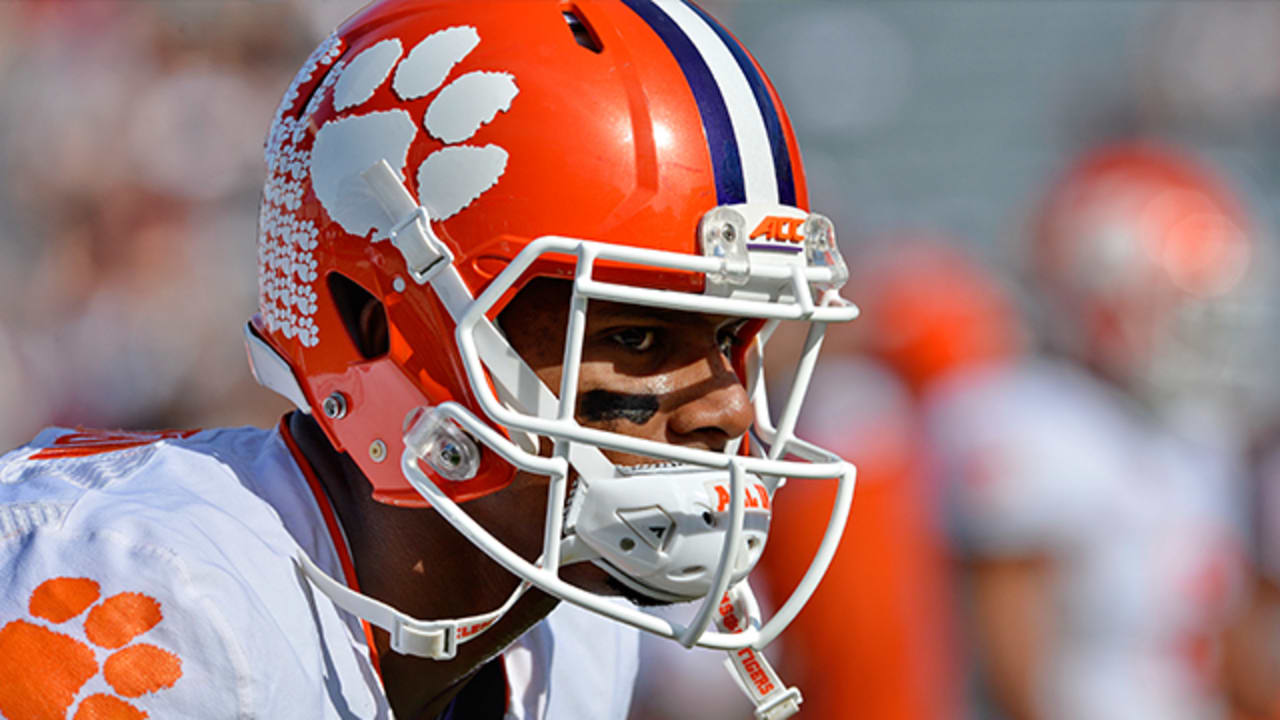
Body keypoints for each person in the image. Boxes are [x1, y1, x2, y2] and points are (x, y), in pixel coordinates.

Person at [0, 1, 858, 719]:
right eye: (633, 337)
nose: (731, 410)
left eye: (725, 340)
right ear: (379, 330)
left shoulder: (572, 631)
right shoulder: (162, 598)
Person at [926, 142, 1264, 720]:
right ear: (1103, 295)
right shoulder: (1025, 422)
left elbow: (1229, 649)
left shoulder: (1197, 435)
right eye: (1180, 308)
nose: (1200, 335)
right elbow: (1014, 677)